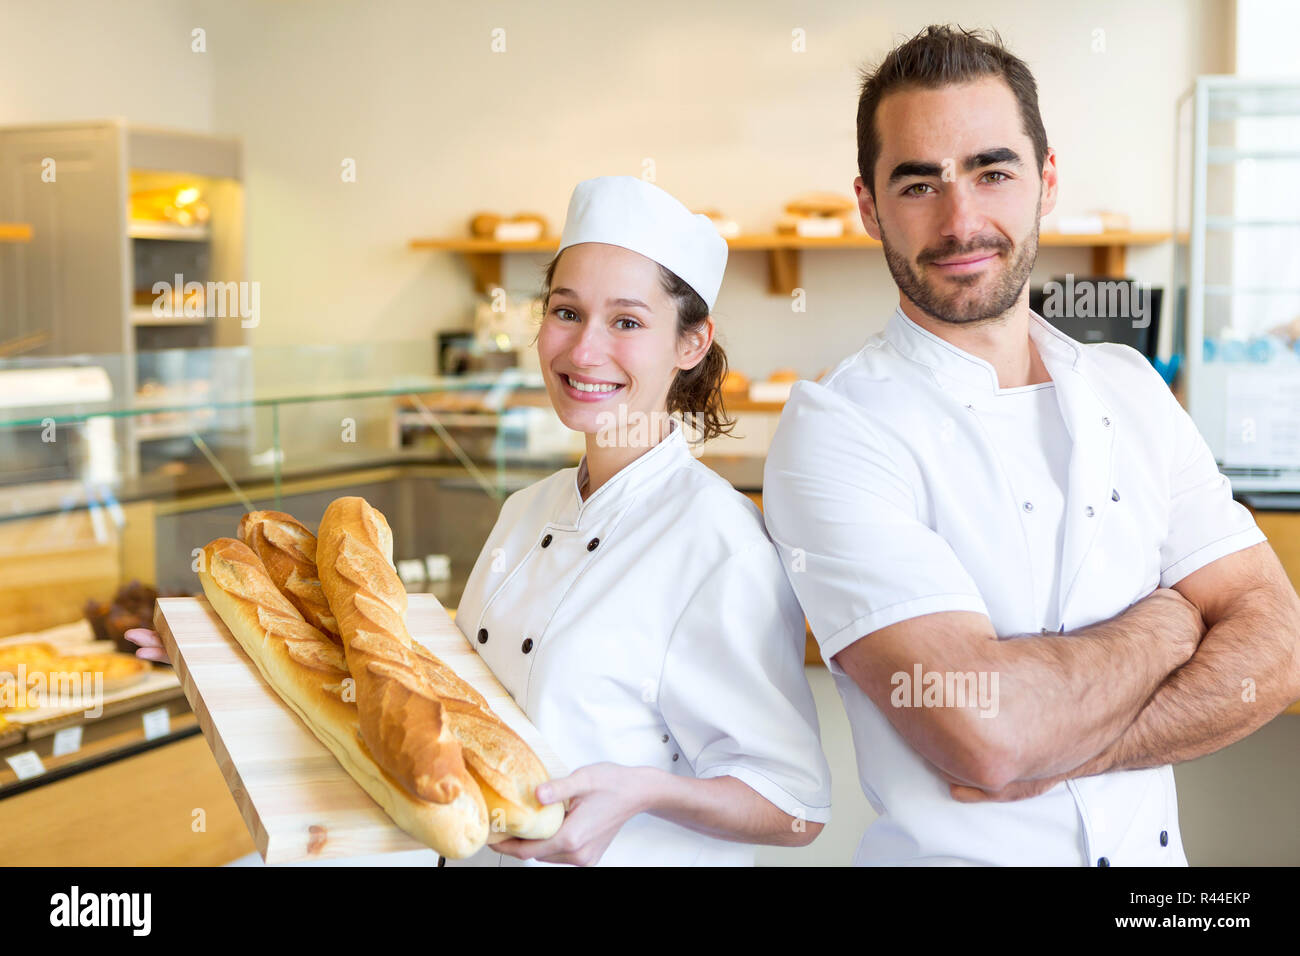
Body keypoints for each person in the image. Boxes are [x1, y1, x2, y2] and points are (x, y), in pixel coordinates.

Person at [131, 175, 832, 867]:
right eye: (565, 312)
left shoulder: (720, 542)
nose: (584, 350)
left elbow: (795, 806)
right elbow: (426, 696)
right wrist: (222, 650)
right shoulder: (527, 512)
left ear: (691, 343)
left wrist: (642, 793)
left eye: (626, 321)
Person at [761, 24, 1300, 866]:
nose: (961, 218)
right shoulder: (837, 429)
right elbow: (989, 737)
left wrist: (1077, 748)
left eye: (992, 170)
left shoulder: (1129, 386)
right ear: (868, 206)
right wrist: (1171, 622)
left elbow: (1277, 649)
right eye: (917, 184)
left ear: (1045, 181)